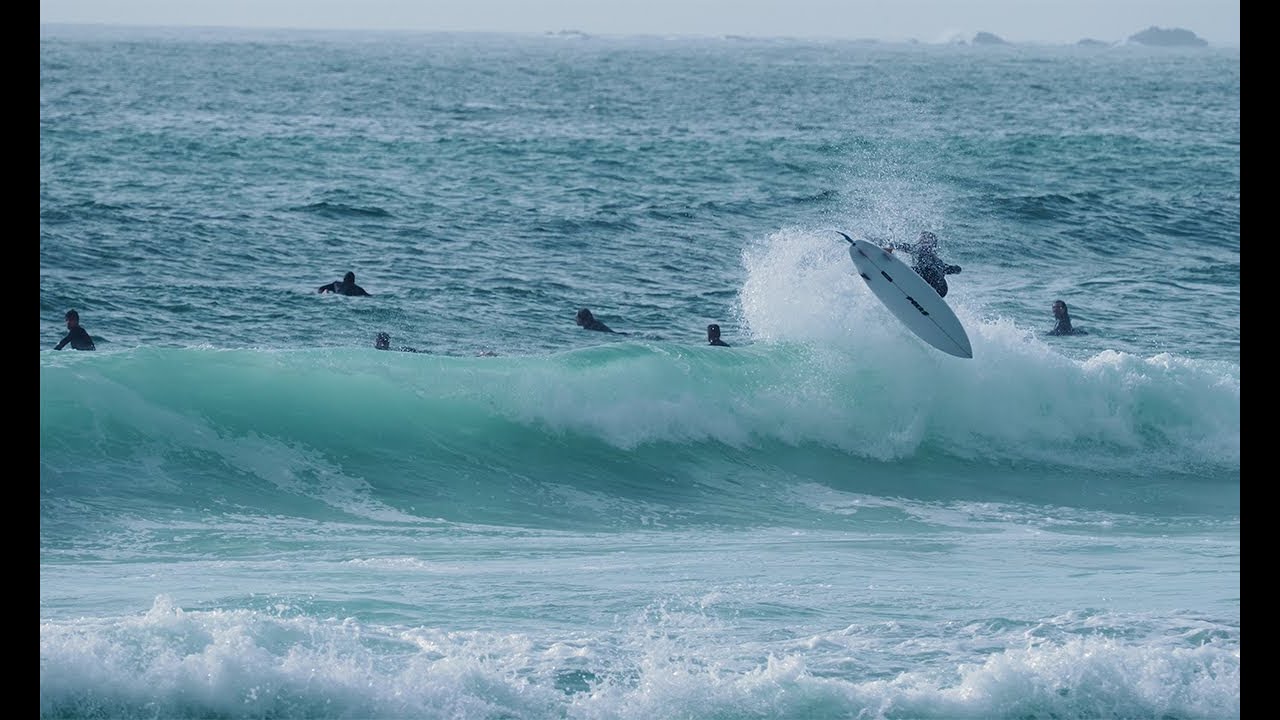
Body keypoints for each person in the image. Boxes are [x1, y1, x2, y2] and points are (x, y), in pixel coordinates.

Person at [886, 231, 962, 298]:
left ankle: (891, 267)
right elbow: (954, 269)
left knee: (912, 270)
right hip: (941, 290)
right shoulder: (939, 262)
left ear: (933, 245)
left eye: (927, 240)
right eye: (923, 239)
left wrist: (890, 247)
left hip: (937, 284)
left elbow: (900, 246)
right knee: (917, 270)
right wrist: (957, 269)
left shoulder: (917, 249)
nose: (924, 241)